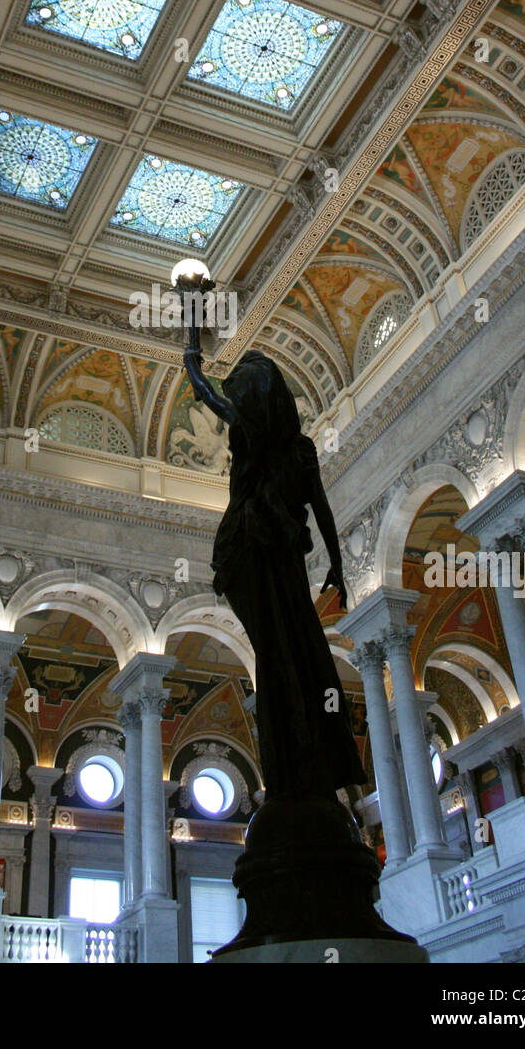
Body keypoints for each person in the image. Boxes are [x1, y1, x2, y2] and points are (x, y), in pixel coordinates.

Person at [183, 340, 366, 800]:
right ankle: (297, 756)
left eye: (247, 391)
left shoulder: (271, 441)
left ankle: (301, 756)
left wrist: (192, 358)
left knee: (289, 651)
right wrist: (338, 566)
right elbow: (321, 509)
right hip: (253, 555)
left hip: (266, 556)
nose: (243, 400)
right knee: (283, 649)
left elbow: (208, 395)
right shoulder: (281, 444)